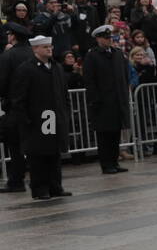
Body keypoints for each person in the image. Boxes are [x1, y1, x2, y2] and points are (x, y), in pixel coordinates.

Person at [11, 35, 72, 200]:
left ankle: (55, 186)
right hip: (36, 121)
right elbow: (18, 98)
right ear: (35, 49)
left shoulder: (56, 67)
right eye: (45, 47)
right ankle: (40, 189)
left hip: (54, 118)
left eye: (50, 47)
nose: (49, 49)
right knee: (37, 156)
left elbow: (63, 92)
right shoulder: (26, 69)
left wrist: (65, 113)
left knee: (54, 153)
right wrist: (26, 120)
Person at [81, 24, 132, 173]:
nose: (109, 40)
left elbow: (124, 74)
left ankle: (114, 161)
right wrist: (95, 99)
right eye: (105, 37)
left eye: (110, 37)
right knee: (104, 135)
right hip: (102, 102)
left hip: (117, 100)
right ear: (98, 39)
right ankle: (106, 164)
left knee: (115, 133)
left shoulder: (117, 53)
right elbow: (89, 80)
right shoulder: (92, 55)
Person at [0, 23, 36, 191]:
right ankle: (38, 179)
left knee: (15, 146)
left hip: (14, 107)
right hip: (35, 106)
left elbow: (2, 83)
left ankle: (16, 181)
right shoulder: (33, 53)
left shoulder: (8, 56)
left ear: (12, 36)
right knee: (35, 145)